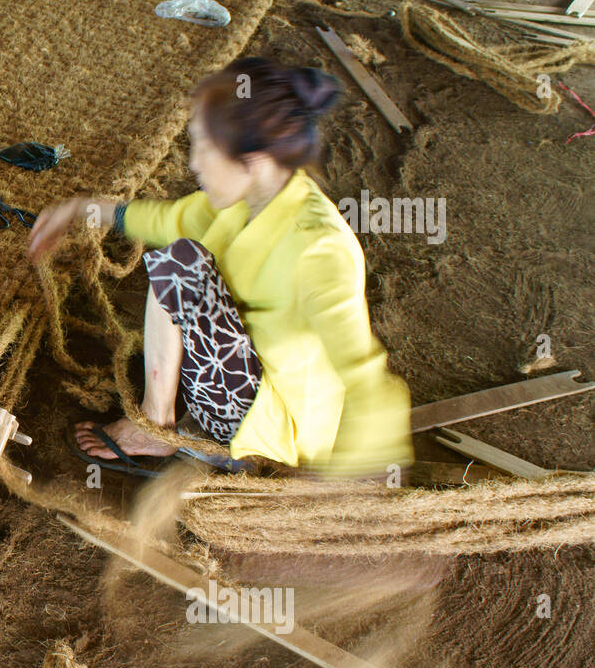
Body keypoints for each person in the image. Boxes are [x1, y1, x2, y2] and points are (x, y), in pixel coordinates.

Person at [27, 56, 412, 477]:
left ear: (254, 159)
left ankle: (159, 429)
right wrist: (84, 209)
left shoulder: (321, 250)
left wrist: (355, 476)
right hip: (234, 373)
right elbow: (170, 219)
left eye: (205, 149)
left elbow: (363, 374)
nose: (194, 164)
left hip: (264, 425)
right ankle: (182, 412)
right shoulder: (249, 198)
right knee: (180, 254)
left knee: (178, 265)